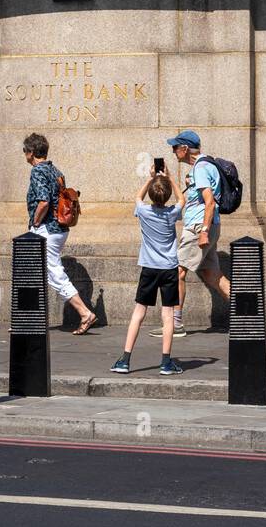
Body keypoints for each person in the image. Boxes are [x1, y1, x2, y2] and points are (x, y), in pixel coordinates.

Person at [111, 166, 184, 375]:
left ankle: (125, 360)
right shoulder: (172, 213)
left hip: (149, 268)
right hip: (169, 268)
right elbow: (182, 200)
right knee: (168, 315)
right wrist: (170, 178)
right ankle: (166, 362)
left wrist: (150, 179)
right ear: (167, 194)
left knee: (139, 312)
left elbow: (137, 197)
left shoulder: (143, 211)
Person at [23, 132, 96, 335]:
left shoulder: (38, 171)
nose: (25, 156)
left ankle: (84, 313)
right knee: (36, 273)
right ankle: (31, 319)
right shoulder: (56, 170)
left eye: (25, 152)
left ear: (31, 152)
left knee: (53, 272)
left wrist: (35, 222)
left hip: (46, 228)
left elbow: (44, 201)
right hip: (60, 229)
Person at [165, 130, 230, 338]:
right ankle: (247, 313)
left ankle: (175, 323)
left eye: (175, 147)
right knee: (212, 275)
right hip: (210, 225)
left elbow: (209, 202)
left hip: (198, 227)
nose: (173, 151)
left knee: (178, 272)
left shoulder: (200, 169)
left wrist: (203, 231)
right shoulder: (205, 166)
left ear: (184, 149)